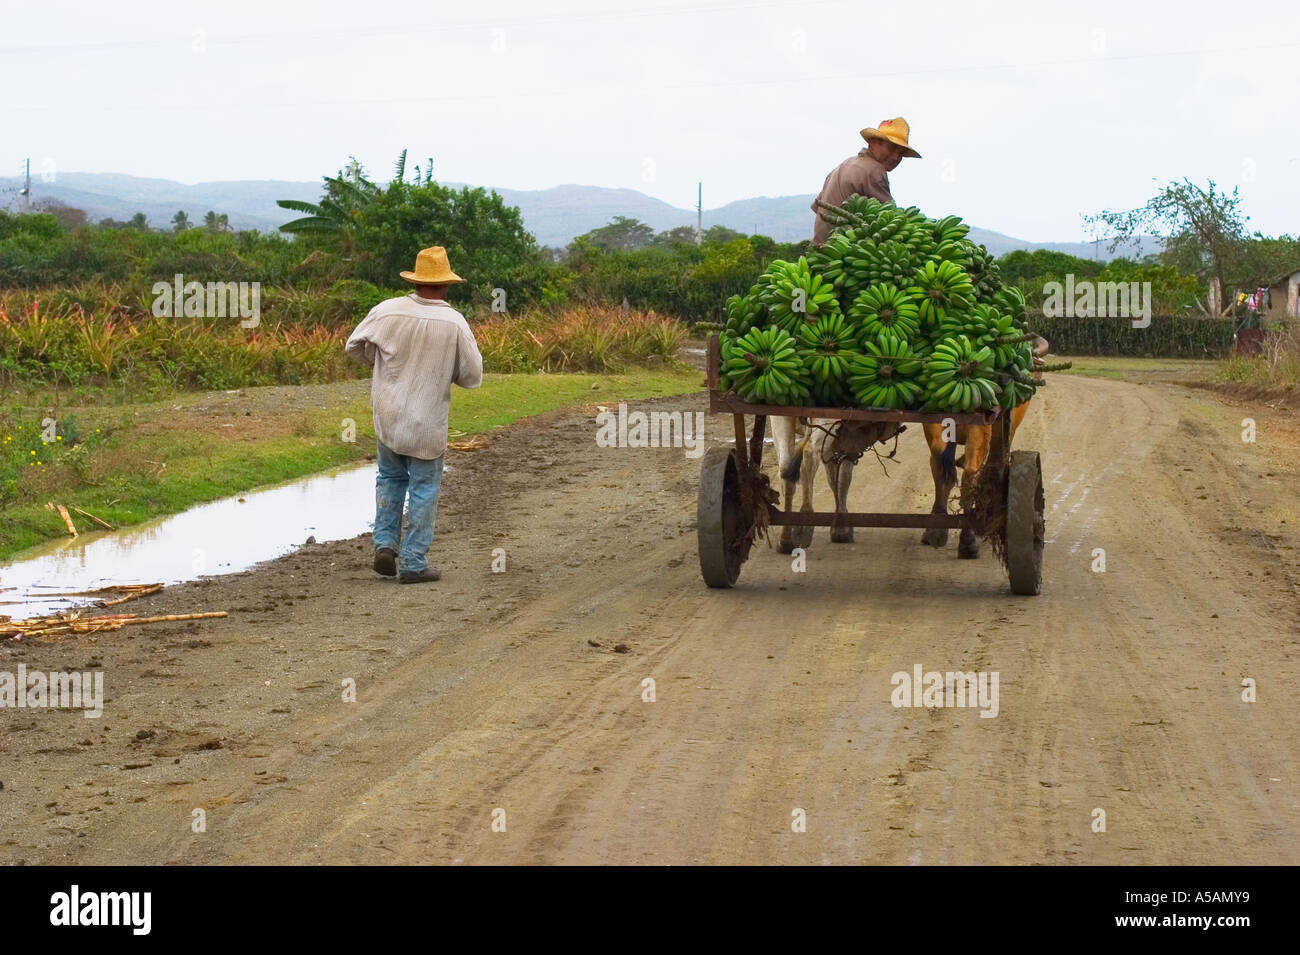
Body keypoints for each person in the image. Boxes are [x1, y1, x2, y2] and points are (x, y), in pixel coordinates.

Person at [345, 246, 483, 584]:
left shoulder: (387, 310)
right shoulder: (454, 322)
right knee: (424, 487)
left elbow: (353, 346)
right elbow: (472, 376)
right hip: (426, 422)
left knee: (390, 479)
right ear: (447, 284)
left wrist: (380, 366)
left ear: (417, 279)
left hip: (388, 415)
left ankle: (385, 545)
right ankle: (413, 562)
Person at [811, 116, 921, 245]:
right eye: (891, 148)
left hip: (820, 247)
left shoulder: (845, 164)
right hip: (842, 248)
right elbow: (891, 219)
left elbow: (817, 208)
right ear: (872, 143)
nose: (896, 157)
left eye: (901, 153)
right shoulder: (874, 169)